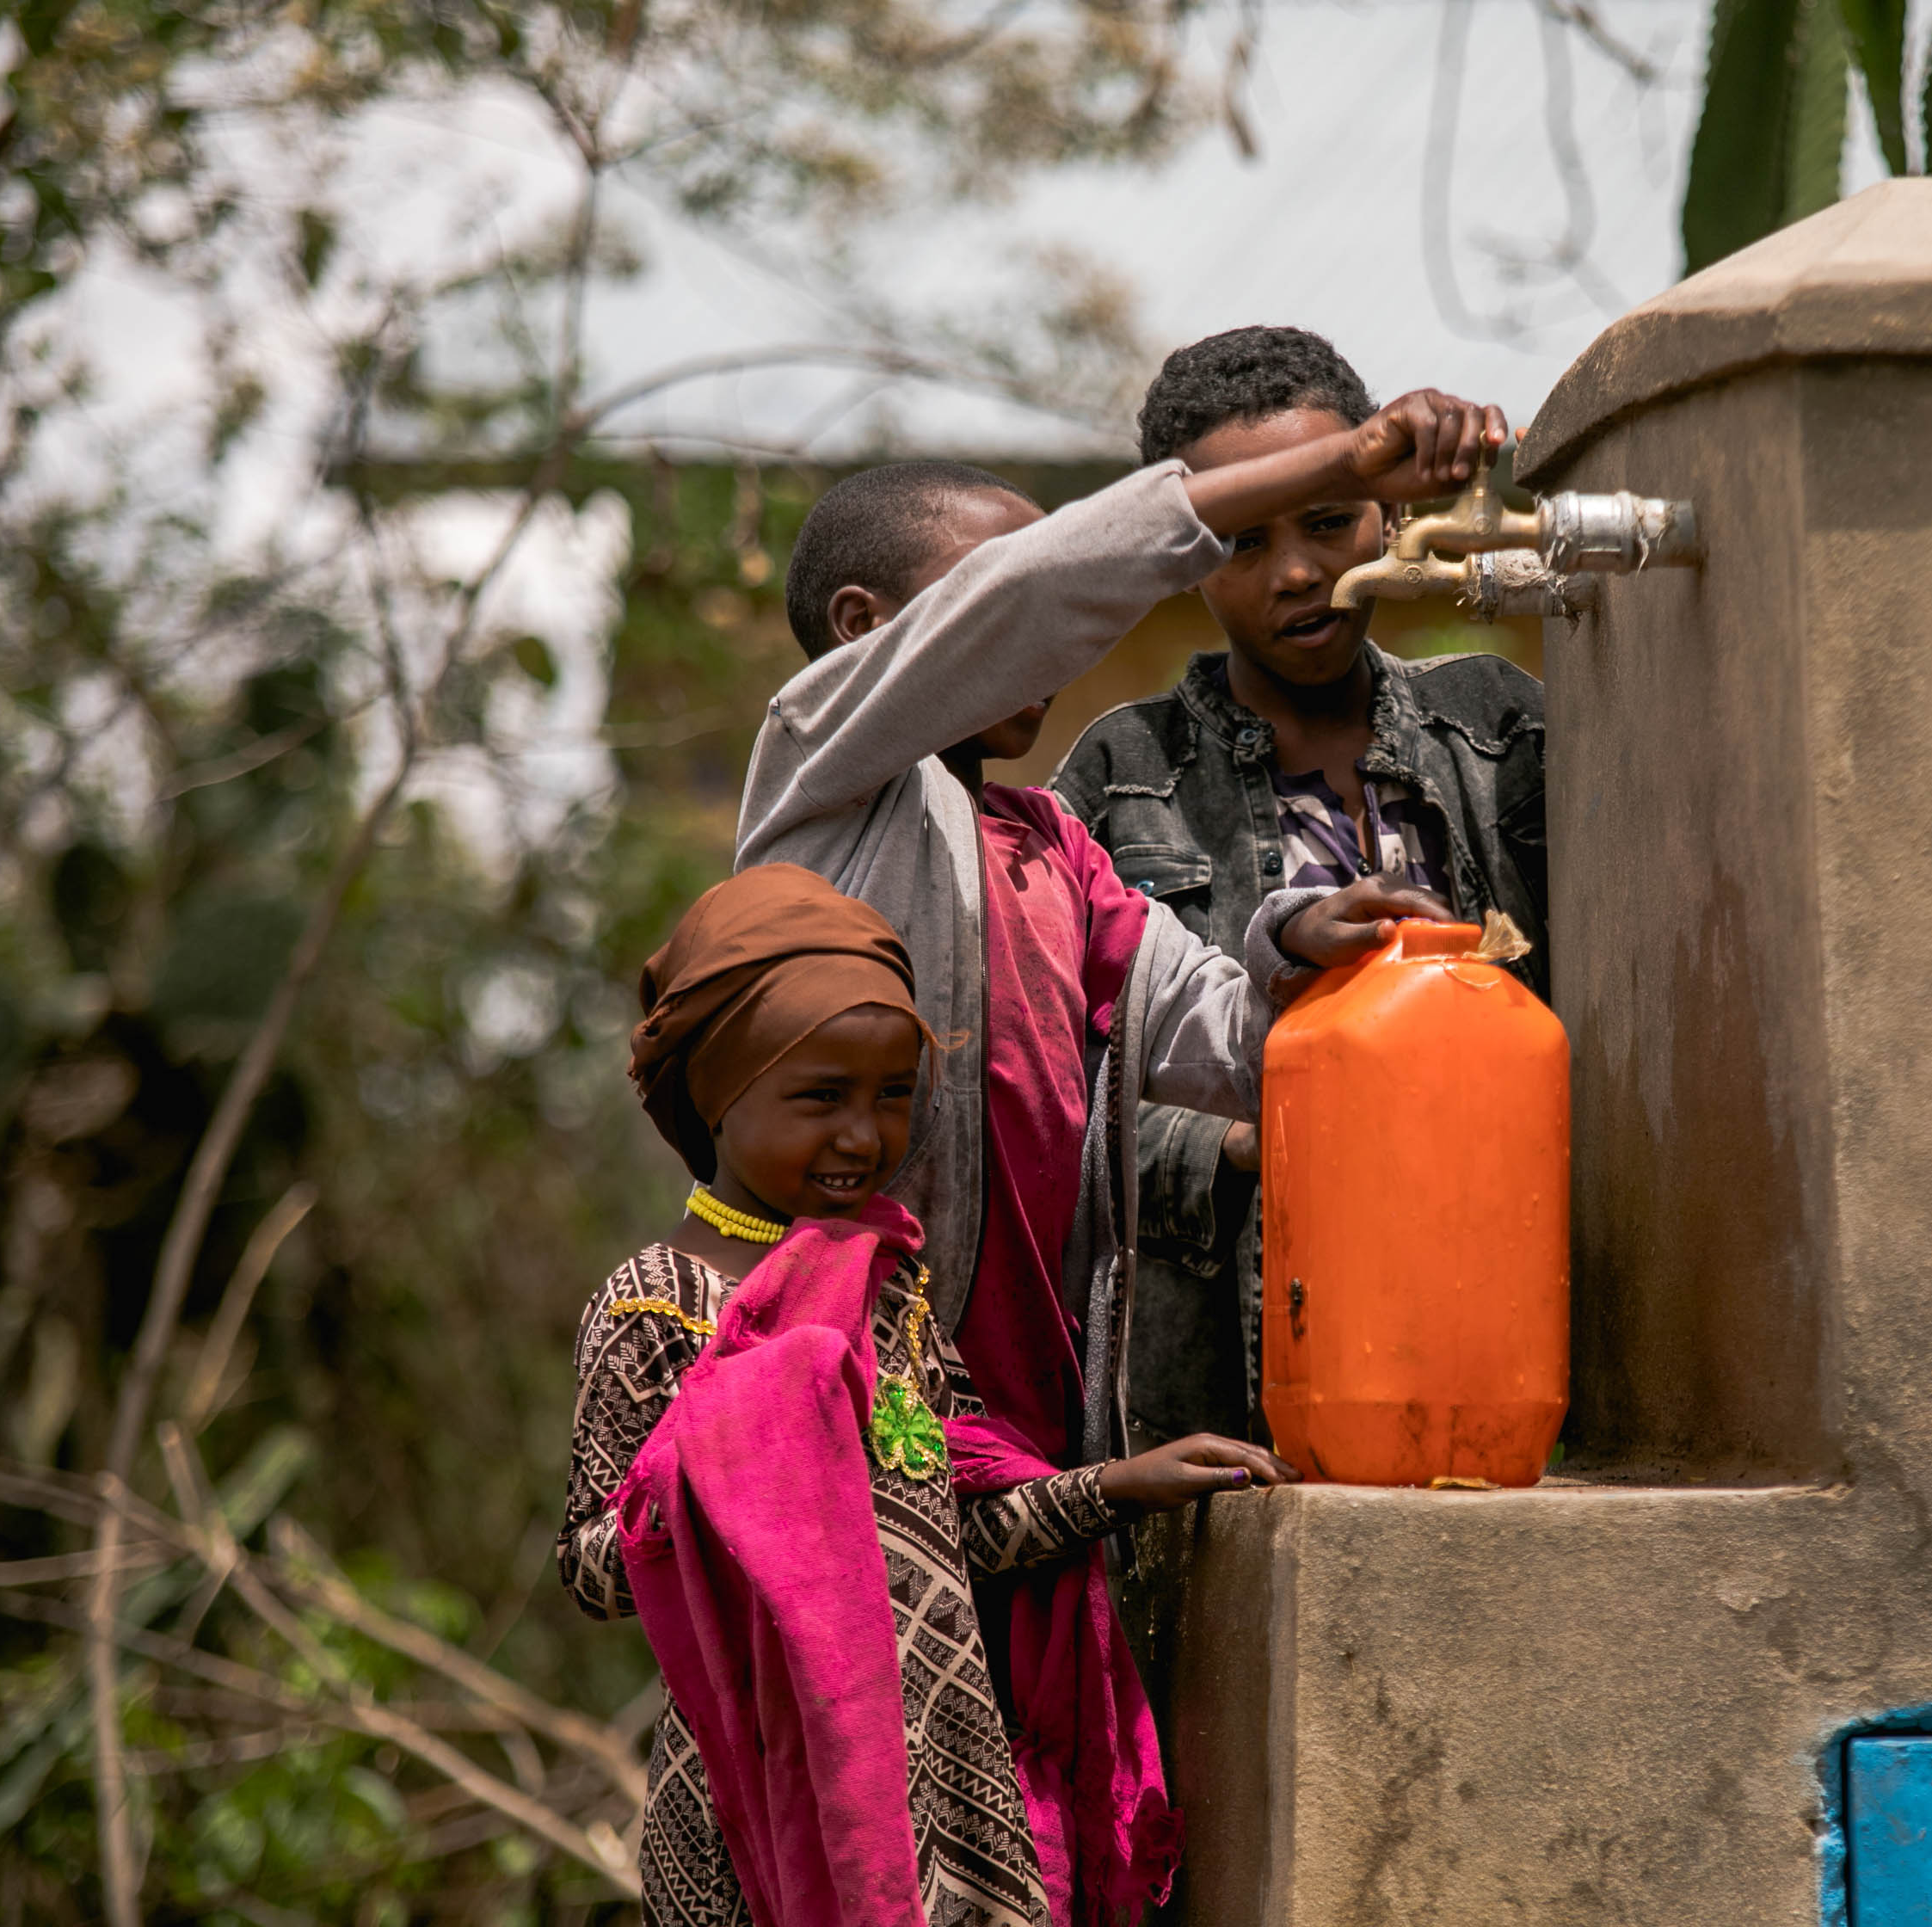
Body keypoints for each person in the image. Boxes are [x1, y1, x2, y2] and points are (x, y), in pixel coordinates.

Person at [729, 392, 1493, 1924]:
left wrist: (1303, 950)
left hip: (1035, 1445)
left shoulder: (1046, 847)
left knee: (1043, 1854)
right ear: (873, 632)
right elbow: (1035, 592)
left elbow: (1214, 1036)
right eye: (1016, 619)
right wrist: (1342, 469)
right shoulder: (824, 770)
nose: (1061, 655)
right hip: (869, 1435)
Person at [556, 864, 1295, 1927]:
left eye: (893, 1096)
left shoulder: (888, 1286)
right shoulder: (660, 1299)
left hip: (938, 1774)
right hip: (754, 1797)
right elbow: (593, 1566)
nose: (864, 1136)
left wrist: (1121, 1484)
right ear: (719, 1092)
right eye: (821, 1097)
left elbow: (952, 1521)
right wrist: (742, 1451)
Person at [1051, 327, 1550, 1444]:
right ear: (1183, 555)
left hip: (1507, 1327)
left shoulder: (1504, 726)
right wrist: (1241, 1150)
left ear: (1387, 513)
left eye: (1328, 521)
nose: (1294, 571)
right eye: (1241, 541)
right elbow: (1041, 1109)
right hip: (1224, 1386)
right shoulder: (1117, 781)